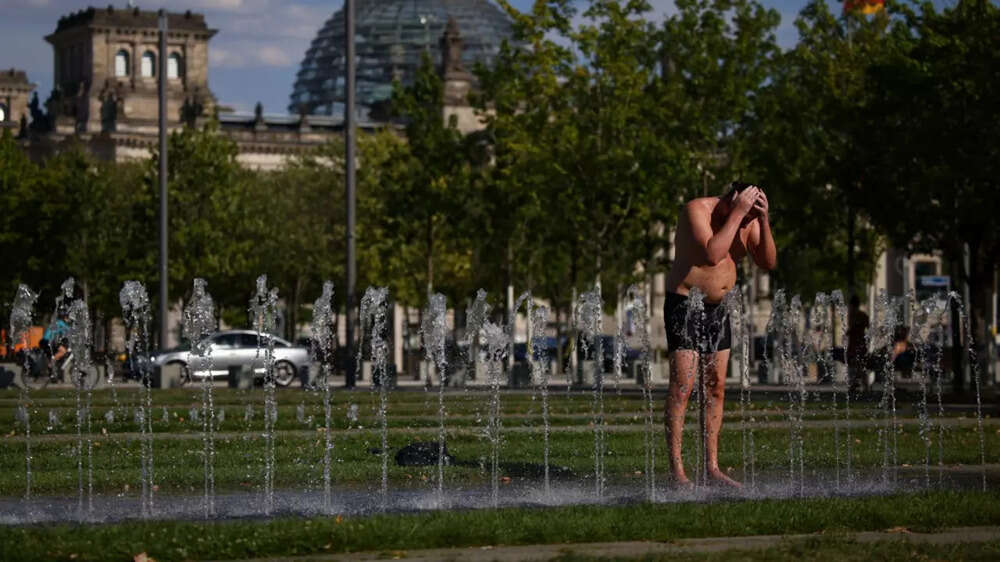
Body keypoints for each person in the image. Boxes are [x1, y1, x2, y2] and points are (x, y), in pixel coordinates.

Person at [663, 182, 777, 487]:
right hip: (685, 304)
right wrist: (738, 213)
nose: (745, 221)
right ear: (730, 199)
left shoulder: (749, 220)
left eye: (751, 215)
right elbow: (713, 254)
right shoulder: (696, 210)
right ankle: (677, 472)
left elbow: (767, 262)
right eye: (743, 211)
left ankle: (711, 468)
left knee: (715, 389)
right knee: (683, 388)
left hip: (718, 310)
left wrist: (763, 221)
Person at [846, 295, 870, 395]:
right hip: (859, 343)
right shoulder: (862, 315)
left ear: (852, 305)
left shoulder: (853, 315)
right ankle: (863, 386)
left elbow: (852, 328)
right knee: (858, 365)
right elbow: (868, 327)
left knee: (855, 365)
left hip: (856, 343)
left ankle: (855, 385)